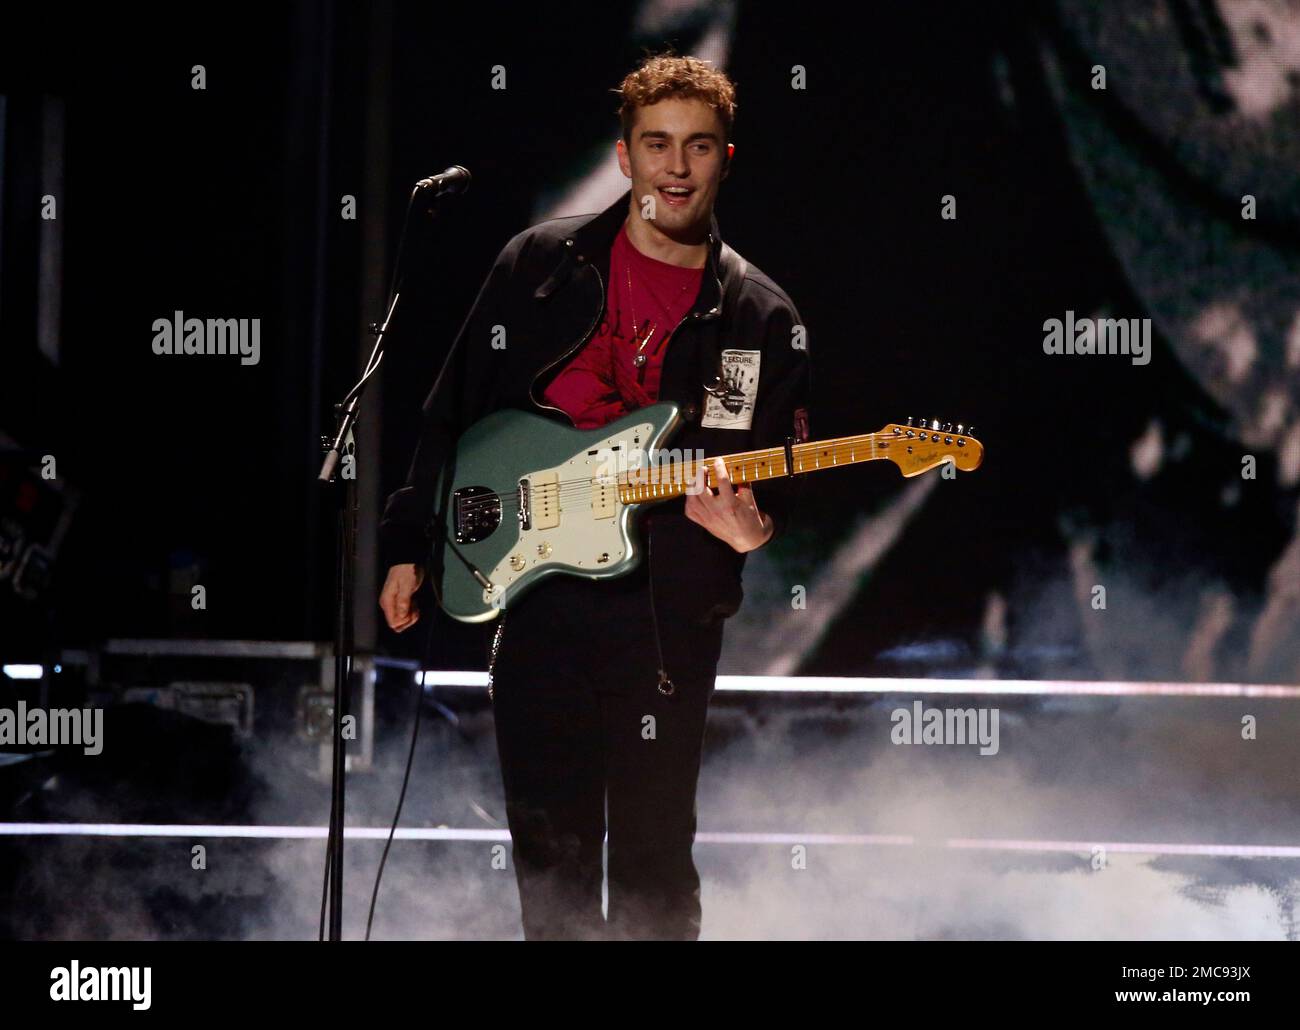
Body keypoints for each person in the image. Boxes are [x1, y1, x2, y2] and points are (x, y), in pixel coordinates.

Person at [378, 53, 812, 939]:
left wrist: (751, 530)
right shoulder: (539, 265)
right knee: (551, 863)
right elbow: (450, 412)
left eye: (698, 146)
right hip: (536, 605)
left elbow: (766, 476)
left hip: (664, 621)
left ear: (728, 157)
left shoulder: (757, 315)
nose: (677, 167)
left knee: (654, 870)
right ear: (625, 156)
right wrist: (407, 539)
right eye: (657, 144)